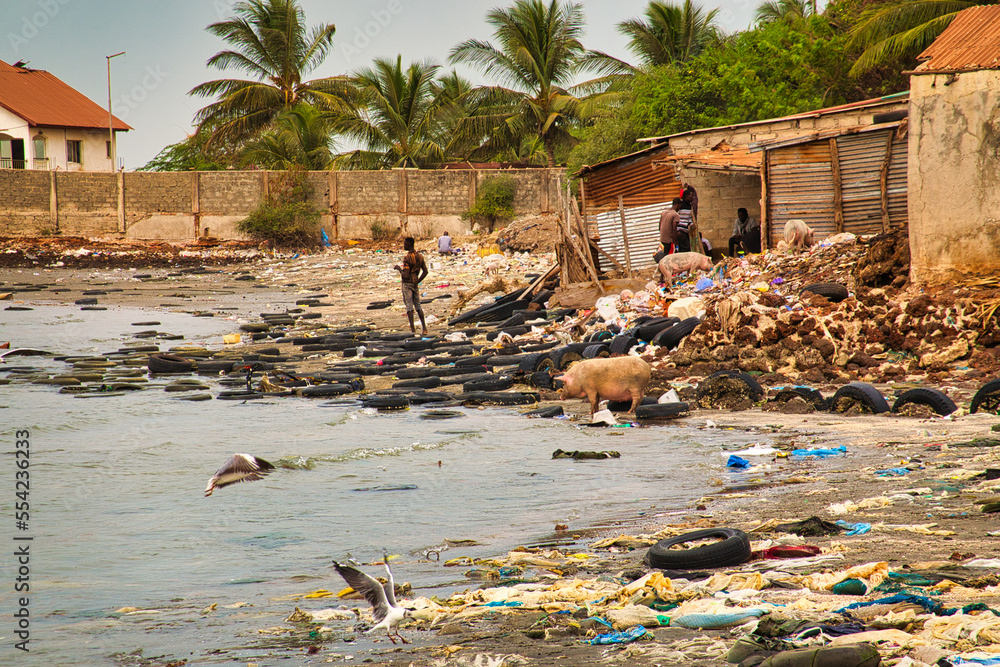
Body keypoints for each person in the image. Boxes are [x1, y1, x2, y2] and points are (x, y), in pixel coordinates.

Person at [394, 237, 429, 334]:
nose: (404, 245)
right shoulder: (420, 257)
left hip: (407, 283)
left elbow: (405, 274)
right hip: (415, 283)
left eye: (405, 244)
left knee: (409, 307)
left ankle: (413, 329)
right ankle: (424, 328)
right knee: (418, 306)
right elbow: (425, 272)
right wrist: (418, 280)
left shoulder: (407, 258)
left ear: (409, 245)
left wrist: (399, 269)